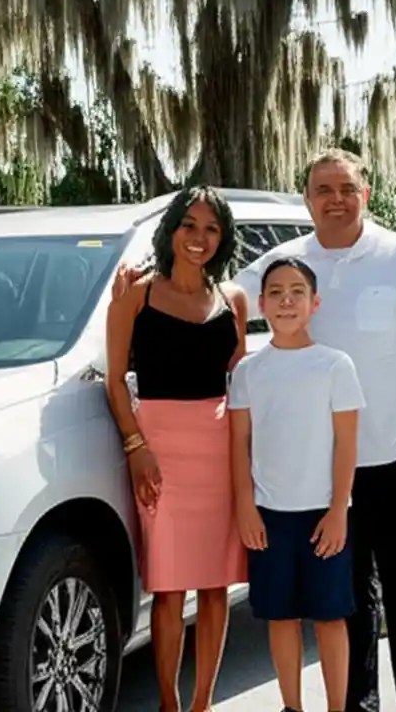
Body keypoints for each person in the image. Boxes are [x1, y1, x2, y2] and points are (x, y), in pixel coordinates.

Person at [115, 149, 396, 710]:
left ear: (365, 194)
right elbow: (207, 289)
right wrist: (135, 280)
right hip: (323, 480)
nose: (336, 199)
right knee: (347, 604)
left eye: (346, 188)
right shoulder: (285, 263)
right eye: (323, 189)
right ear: (307, 200)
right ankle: (355, 704)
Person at [105, 184, 250, 712]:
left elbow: (244, 380)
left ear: (223, 237)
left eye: (212, 228)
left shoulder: (233, 299)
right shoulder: (135, 293)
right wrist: (135, 444)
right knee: (169, 587)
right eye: (189, 225)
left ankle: (201, 704)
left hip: (218, 449)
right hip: (158, 449)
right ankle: (169, 703)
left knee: (215, 586)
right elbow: (116, 380)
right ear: (171, 229)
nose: (199, 237)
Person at [228, 257, 365, 712]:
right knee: (280, 615)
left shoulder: (335, 366)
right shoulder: (248, 371)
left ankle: (337, 706)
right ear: (262, 304)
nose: (287, 300)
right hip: (269, 516)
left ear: (315, 302)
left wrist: (338, 510)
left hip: (324, 516)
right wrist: (246, 507)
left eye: (297, 292)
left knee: (329, 617)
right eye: (276, 293)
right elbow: (239, 445)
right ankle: (292, 705)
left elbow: (347, 443)